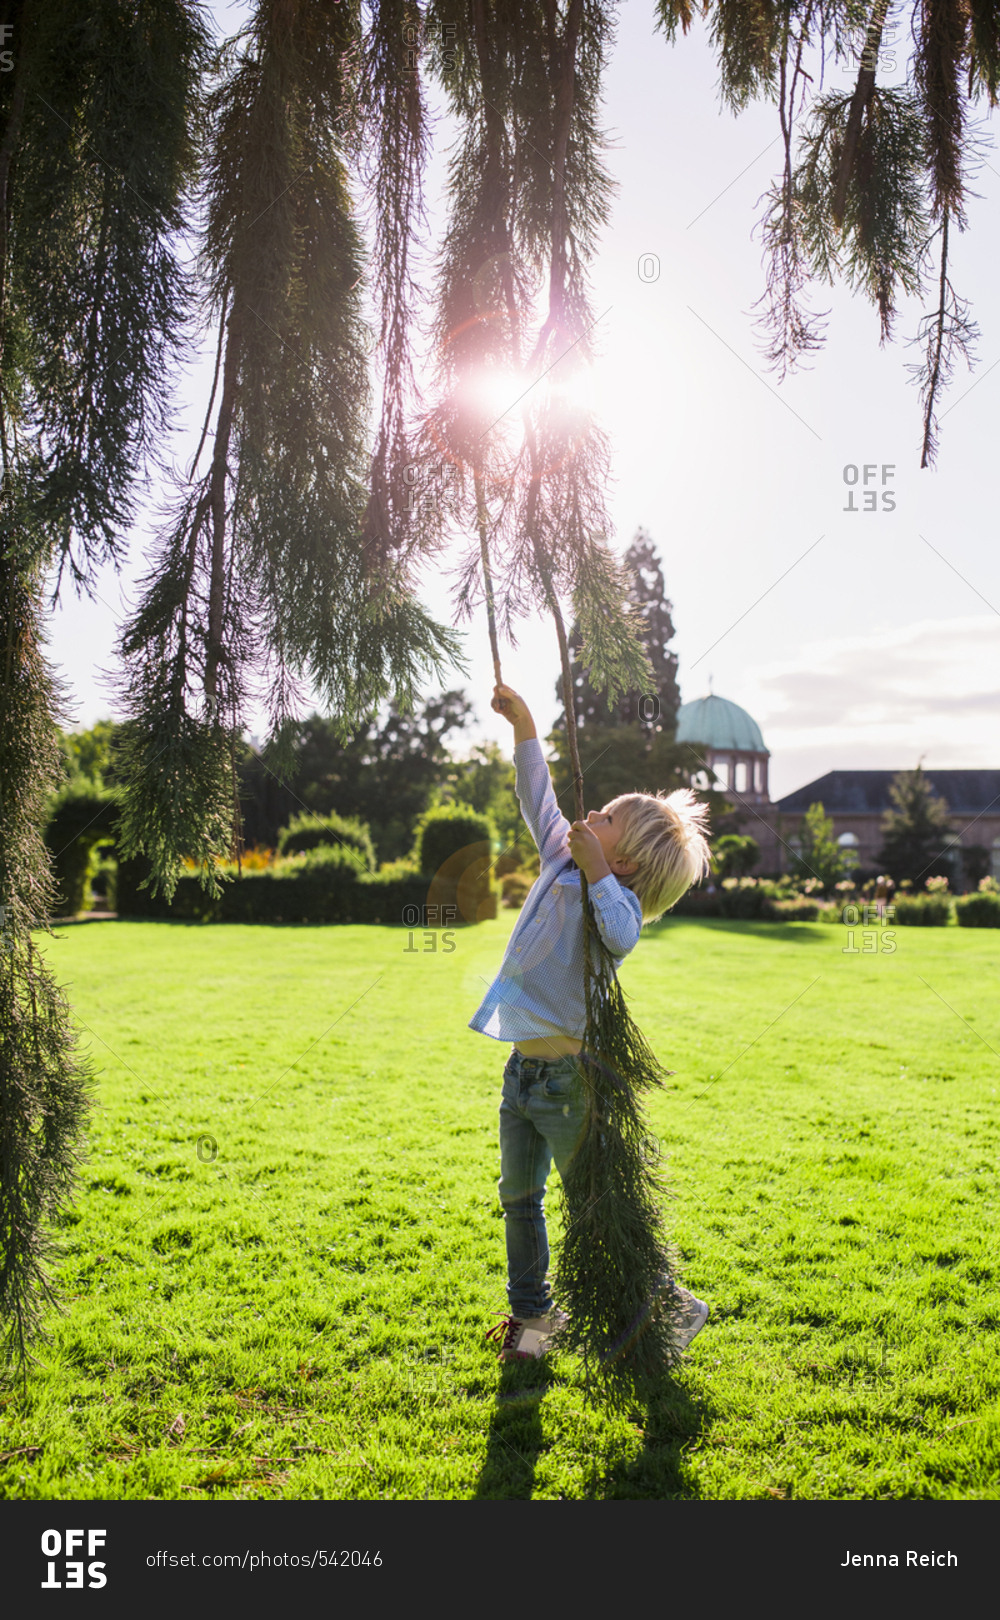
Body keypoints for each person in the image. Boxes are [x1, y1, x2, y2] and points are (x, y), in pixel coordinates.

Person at [471, 681, 714, 1363]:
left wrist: (597, 871)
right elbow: (536, 797)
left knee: (597, 1209)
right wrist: (525, 728)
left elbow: (619, 934)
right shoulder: (558, 859)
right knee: (518, 1201)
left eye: (604, 817)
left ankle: (673, 1305)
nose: (590, 815)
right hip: (521, 1074)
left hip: (568, 1083)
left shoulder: (617, 904)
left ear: (624, 859)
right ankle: (534, 1324)